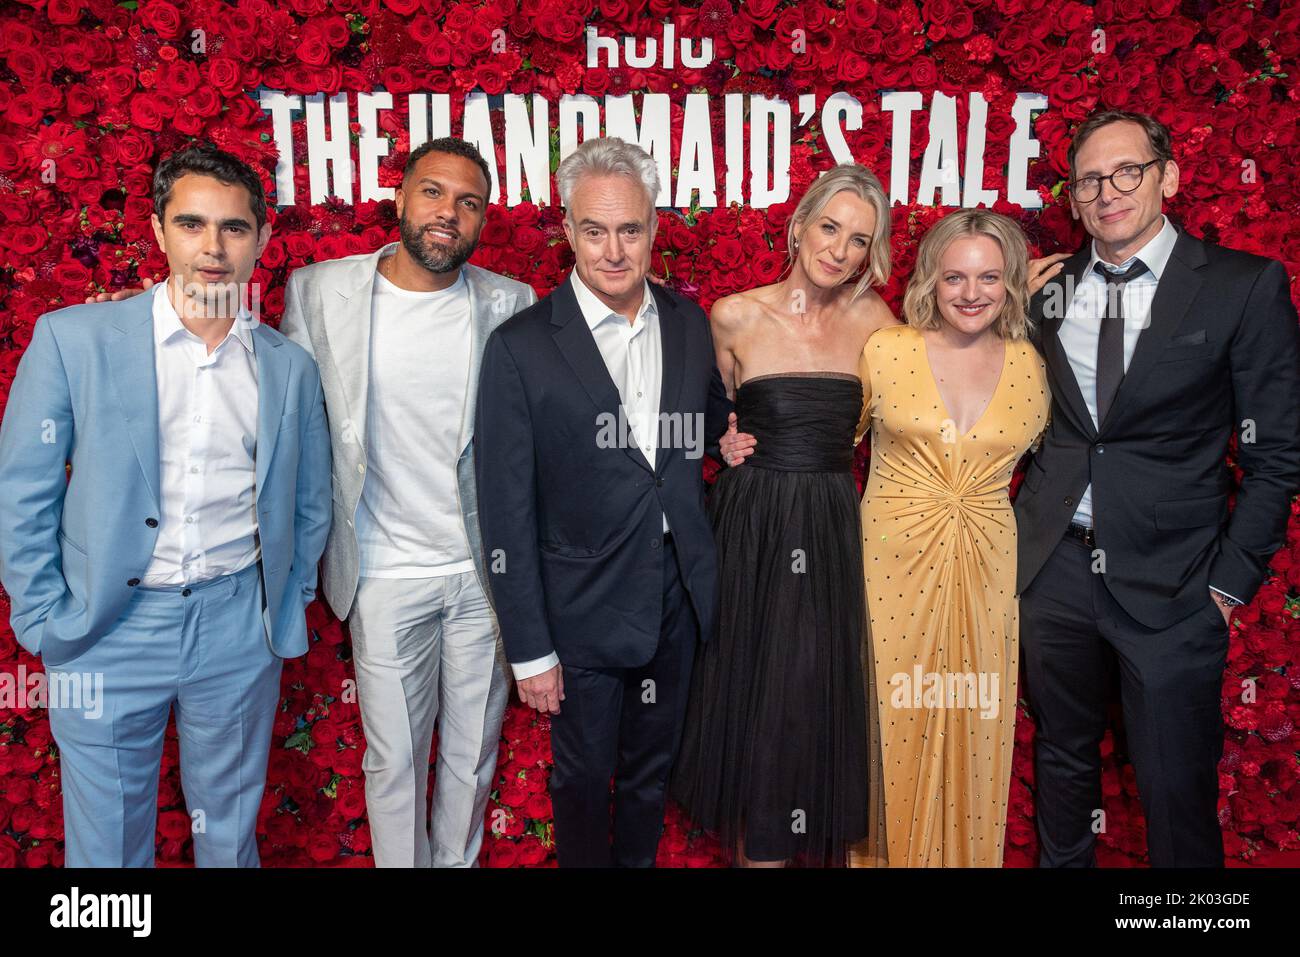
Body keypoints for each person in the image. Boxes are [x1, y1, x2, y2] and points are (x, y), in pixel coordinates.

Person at [0, 143, 332, 866]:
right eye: (191, 224)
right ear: (158, 231)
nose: (213, 247)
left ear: (262, 240)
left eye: (234, 228)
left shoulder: (288, 367)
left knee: (228, 837)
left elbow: (310, 503)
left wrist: (285, 596)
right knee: (108, 850)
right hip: (106, 630)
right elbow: (20, 489)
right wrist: (43, 616)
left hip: (237, 629)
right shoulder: (74, 338)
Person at [1016, 109, 1300, 867]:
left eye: (1127, 172)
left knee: (1175, 789)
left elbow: (1275, 454)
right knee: (1064, 761)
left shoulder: (1243, 286)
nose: (1107, 192)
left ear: (1168, 176)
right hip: (1053, 572)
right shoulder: (1047, 292)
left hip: (1177, 581)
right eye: (1089, 181)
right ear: (1073, 199)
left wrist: (1228, 586)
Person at [277, 138, 536, 868]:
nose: (448, 213)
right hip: (384, 572)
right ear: (400, 198)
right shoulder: (320, 291)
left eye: (469, 202)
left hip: (482, 576)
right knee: (393, 763)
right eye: (432, 192)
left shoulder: (510, 303)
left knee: (470, 757)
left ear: (483, 219)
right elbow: (294, 430)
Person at [473, 136, 732, 867]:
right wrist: (529, 649)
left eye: (630, 229)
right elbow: (504, 508)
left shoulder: (687, 321)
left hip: (675, 594)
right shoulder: (520, 347)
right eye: (594, 230)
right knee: (584, 780)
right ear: (567, 230)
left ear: (654, 228)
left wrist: (730, 436)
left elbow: (704, 421)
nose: (613, 250)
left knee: (651, 778)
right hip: (579, 606)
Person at [669, 164, 898, 866]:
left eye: (860, 240)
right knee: (758, 703)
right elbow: (698, 412)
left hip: (829, 525)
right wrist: (719, 439)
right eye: (829, 228)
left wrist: (1028, 300)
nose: (840, 249)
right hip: (754, 526)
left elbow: (934, 388)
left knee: (808, 697)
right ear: (799, 227)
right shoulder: (735, 313)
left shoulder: (876, 322)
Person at [850, 209, 1050, 866]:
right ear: (930, 279)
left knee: (974, 737)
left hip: (986, 576)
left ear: (1012, 281)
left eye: (990, 276)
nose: (971, 293)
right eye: (955, 276)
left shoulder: (1029, 364)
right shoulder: (887, 349)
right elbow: (821, 442)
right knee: (887, 738)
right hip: (889, 572)